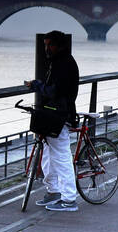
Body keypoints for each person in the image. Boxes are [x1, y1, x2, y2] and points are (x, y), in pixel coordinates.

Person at [24, 30, 80, 212]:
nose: (47, 49)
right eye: (45, 45)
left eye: (50, 45)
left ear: (60, 45)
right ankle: (54, 191)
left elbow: (55, 91)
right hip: (53, 115)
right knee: (49, 154)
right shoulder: (59, 62)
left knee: (62, 156)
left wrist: (37, 85)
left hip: (59, 115)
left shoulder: (64, 64)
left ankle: (70, 199)